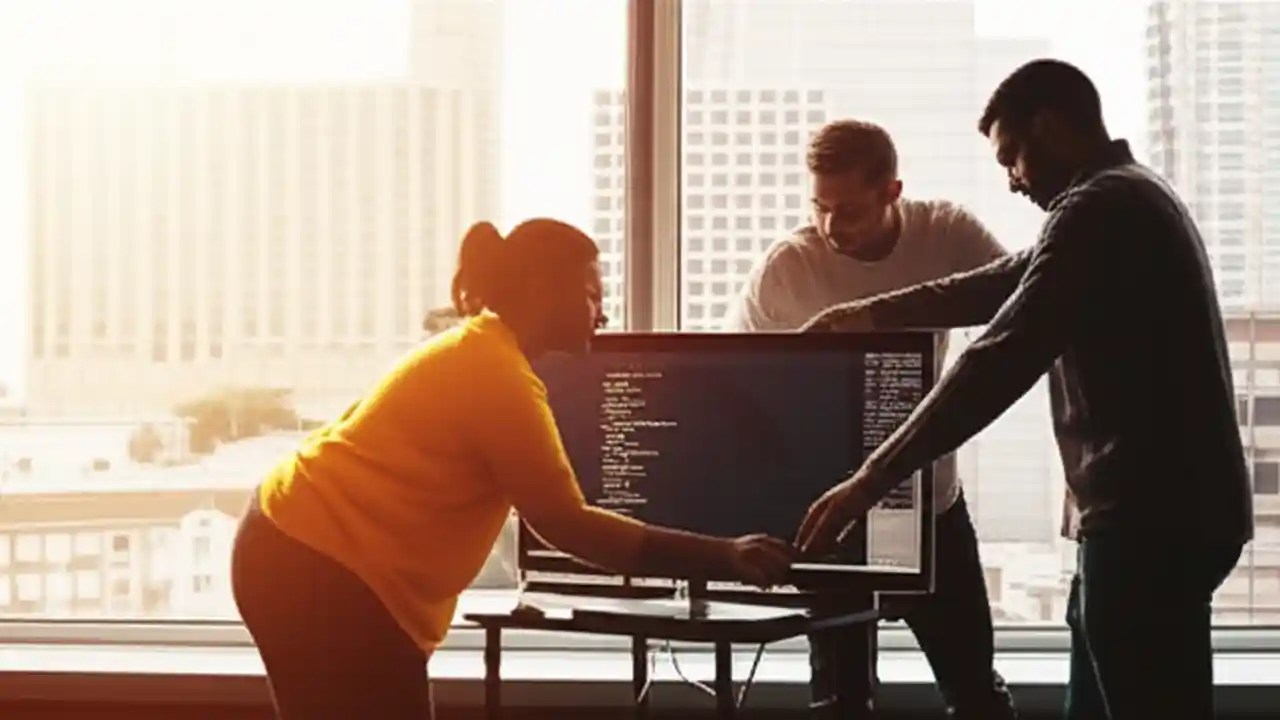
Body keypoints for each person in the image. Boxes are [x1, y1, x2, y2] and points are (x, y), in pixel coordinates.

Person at [797, 59, 1252, 720]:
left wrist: (869, 480)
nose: (1012, 180)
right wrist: (871, 315)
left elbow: (999, 359)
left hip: (1148, 523)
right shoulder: (1122, 196)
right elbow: (1007, 280)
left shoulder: (1099, 208)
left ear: (1050, 128)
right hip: (1154, 518)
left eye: (1012, 157)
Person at [231, 218, 795, 720]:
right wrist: (724, 556)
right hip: (317, 564)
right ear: (544, 291)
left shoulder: (479, 349)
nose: (602, 312)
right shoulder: (498, 376)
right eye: (591, 295)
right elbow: (568, 524)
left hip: (297, 547)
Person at [727, 120, 1016, 720]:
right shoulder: (788, 269)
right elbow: (737, 384)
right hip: (829, 513)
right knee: (840, 702)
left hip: (929, 505)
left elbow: (1022, 304)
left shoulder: (946, 234)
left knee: (974, 691)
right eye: (820, 208)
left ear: (892, 192)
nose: (832, 227)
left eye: (849, 210)